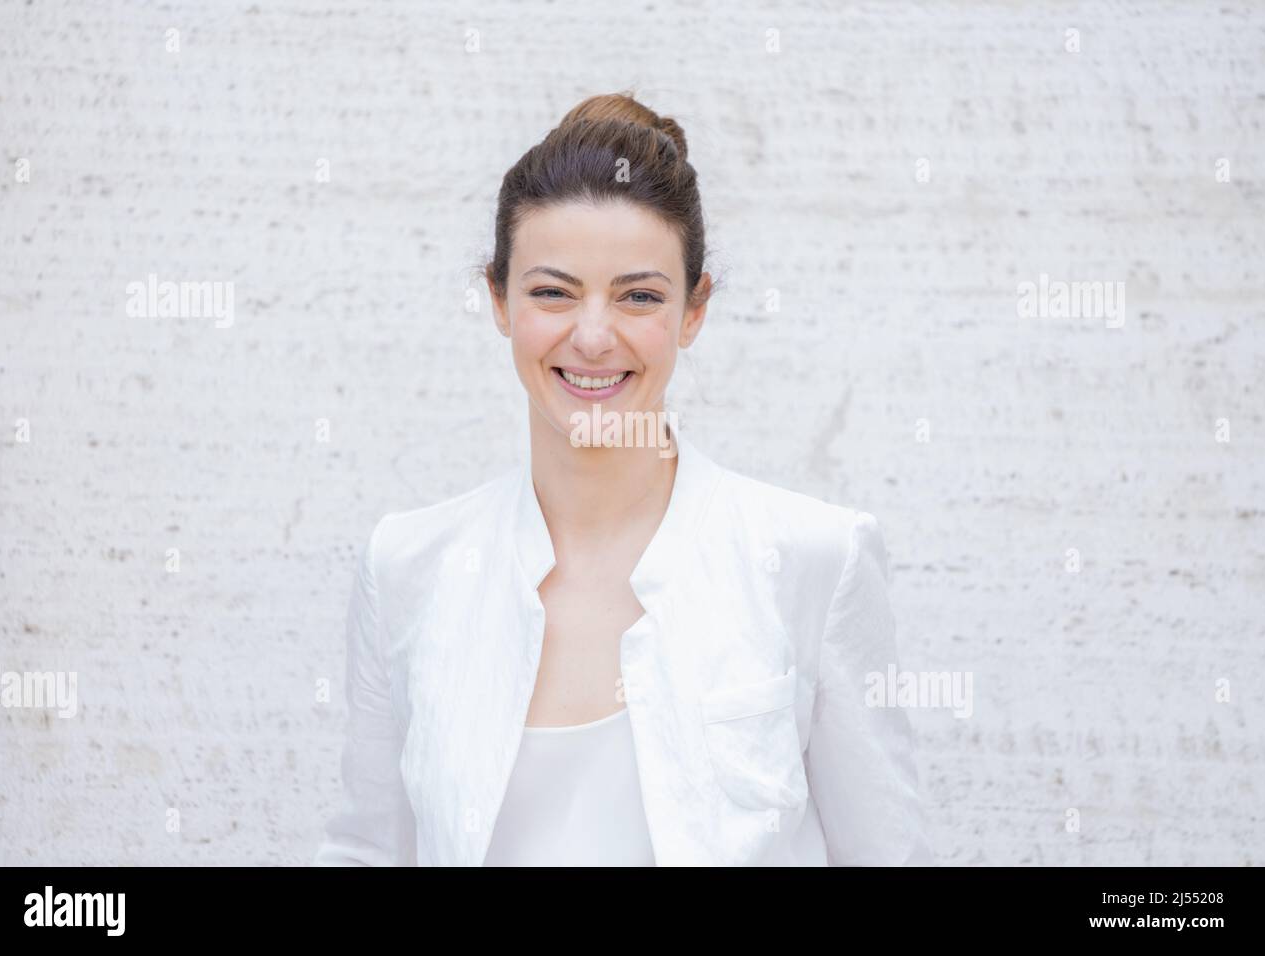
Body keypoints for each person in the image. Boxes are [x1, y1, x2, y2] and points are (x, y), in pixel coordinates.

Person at [313, 91, 932, 866]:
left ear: (694, 311)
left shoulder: (814, 559)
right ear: (498, 299)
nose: (595, 336)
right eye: (552, 292)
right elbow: (370, 850)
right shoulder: (407, 565)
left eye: (639, 295)